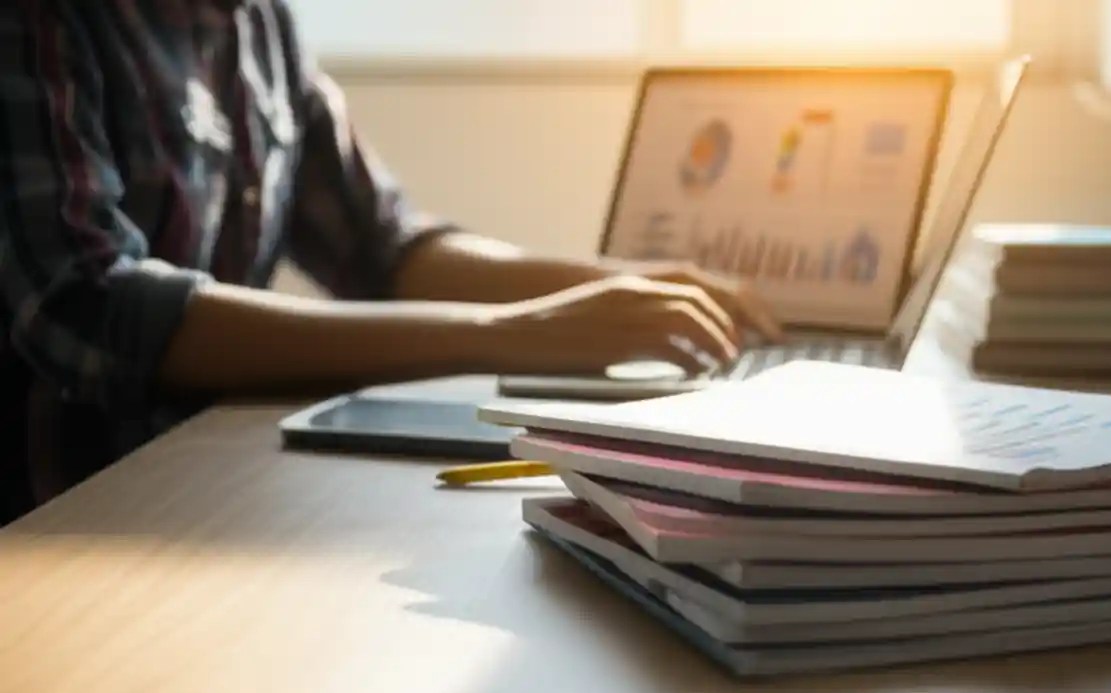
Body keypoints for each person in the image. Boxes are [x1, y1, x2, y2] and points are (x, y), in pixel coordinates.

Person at [0, 1, 781, 524]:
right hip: (60, 524)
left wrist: (621, 285)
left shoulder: (261, 26)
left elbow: (388, 247)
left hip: (200, 502)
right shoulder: (43, 22)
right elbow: (87, 306)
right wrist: (514, 333)